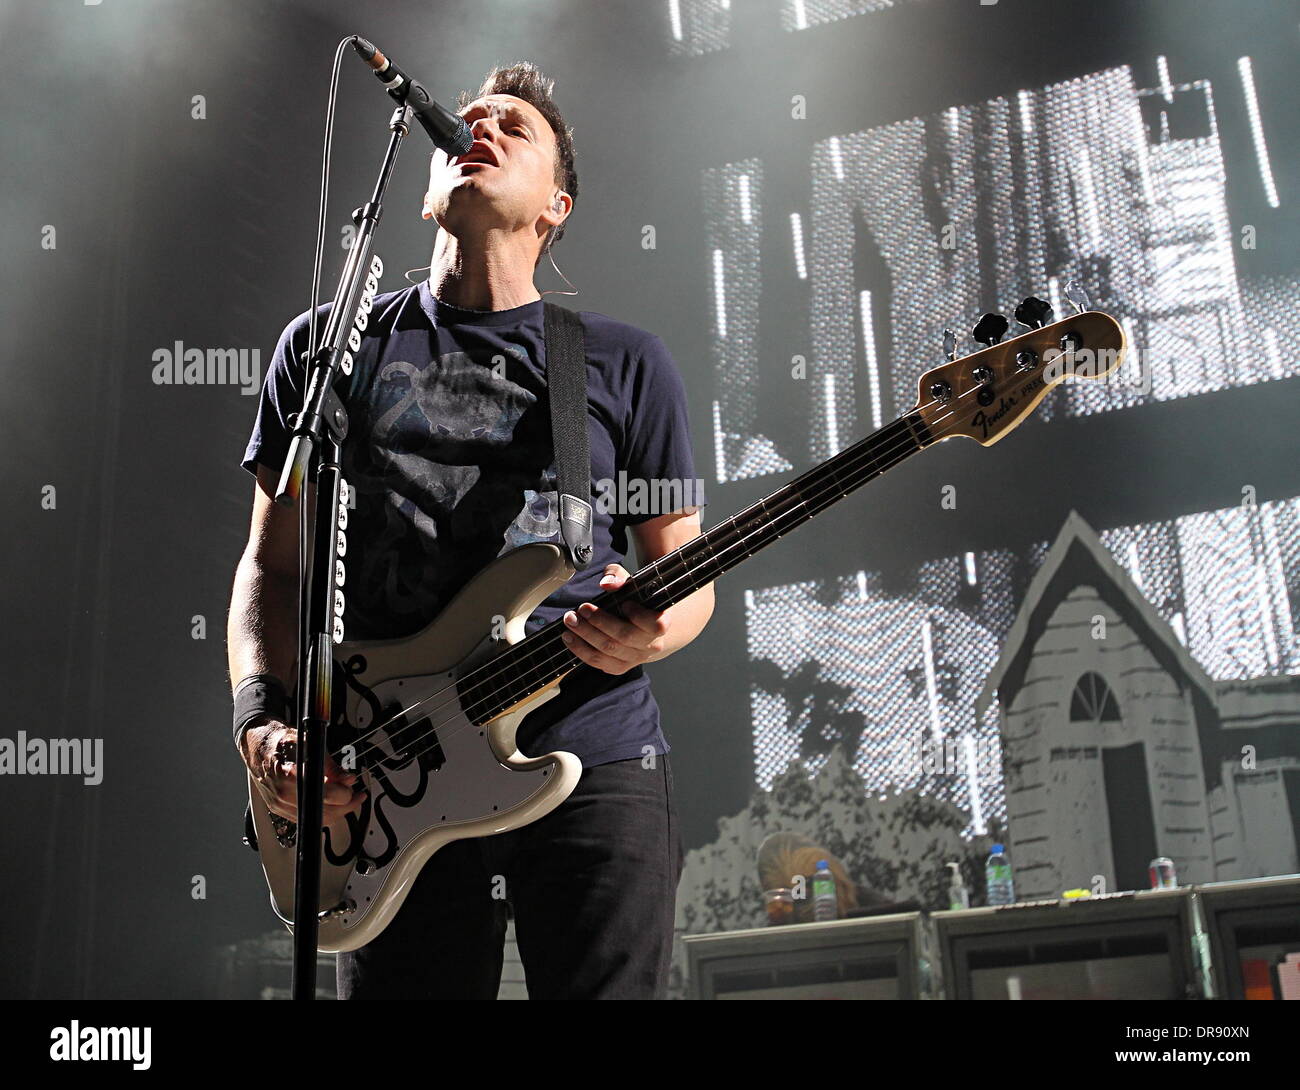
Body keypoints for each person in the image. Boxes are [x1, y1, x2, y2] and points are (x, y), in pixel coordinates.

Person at [227, 61, 714, 999]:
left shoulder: (621, 362)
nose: (476, 128)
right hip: (387, 763)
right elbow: (269, 562)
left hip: (590, 748)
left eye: (513, 127)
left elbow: (683, 570)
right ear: (425, 196)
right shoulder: (326, 351)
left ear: (556, 205)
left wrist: (653, 626)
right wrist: (262, 721)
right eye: (469, 119)